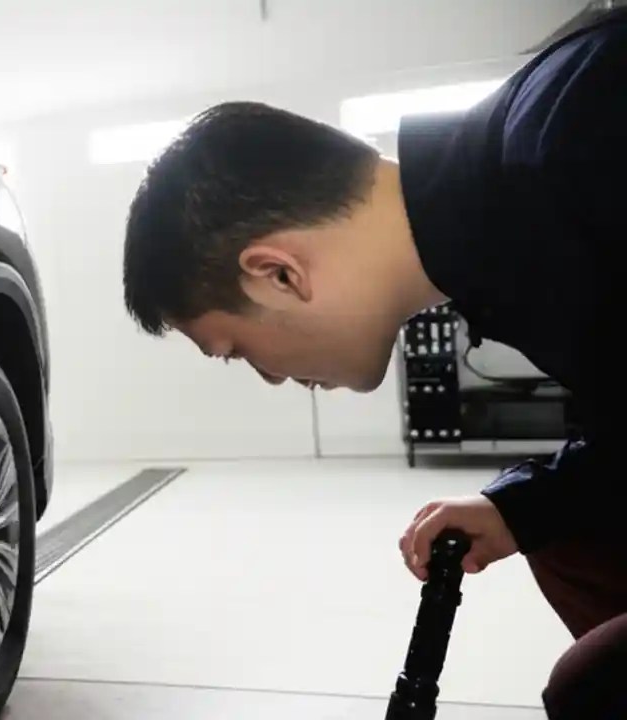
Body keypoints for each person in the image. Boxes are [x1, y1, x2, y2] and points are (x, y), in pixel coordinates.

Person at [120, 10, 624, 720]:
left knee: (595, 688)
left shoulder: (579, 136)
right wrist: (524, 505)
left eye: (237, 351)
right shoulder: (519, 204)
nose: (270, 377)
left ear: (279, 275)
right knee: (571, 537)